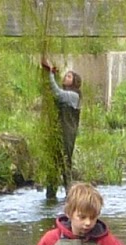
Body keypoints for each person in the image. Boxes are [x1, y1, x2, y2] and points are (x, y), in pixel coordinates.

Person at [40, 57, 81, 202]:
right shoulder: (68, 95)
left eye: (69, 76)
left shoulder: (73, 96)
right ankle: (50, 196)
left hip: (67, 135)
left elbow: (57, 93)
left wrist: (51, 73)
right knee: (54, 164)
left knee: (65, 164)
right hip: (58, 134)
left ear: (74, 82)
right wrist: (50, 74)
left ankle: (70, 197)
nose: (66, 77)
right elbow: (53, 90)